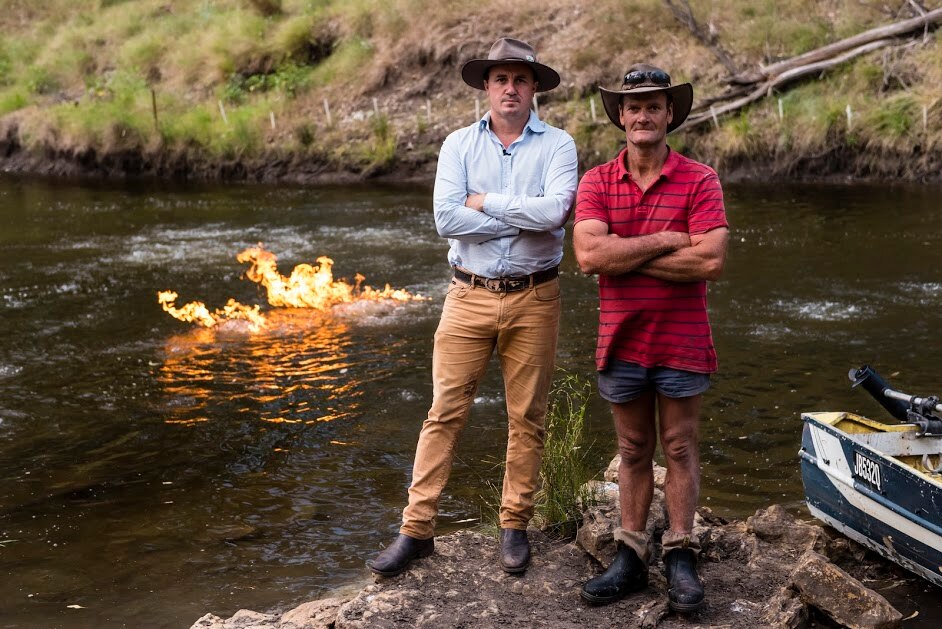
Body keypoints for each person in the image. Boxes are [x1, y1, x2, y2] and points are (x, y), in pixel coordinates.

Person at [368, 37, 578, 577]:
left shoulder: (558, 146)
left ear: (534, 88)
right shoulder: (458, 144)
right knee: (443, 412)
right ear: (486, 86)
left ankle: (514, 527)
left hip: (536, 296)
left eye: (521, 79)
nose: (511, 88)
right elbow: (446, 219)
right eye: (500, 79)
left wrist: (483, 203)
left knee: (527, 417)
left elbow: (556, 213)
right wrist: (520, 218)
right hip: (467, 295)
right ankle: (416, 531)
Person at [572, 64, 729, 611]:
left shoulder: (700, 180)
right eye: (634, 107)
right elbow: (589, 255)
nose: (643, 115)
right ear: (621, 116)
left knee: (680, 445)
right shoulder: (596, 181)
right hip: (621, 339)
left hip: (683, 339)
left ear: (669, 115)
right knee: (634, 448)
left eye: (654, 107)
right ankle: (632, 555)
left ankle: (681, 552)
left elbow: (709, 261)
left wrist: (624, 254)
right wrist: (667, 238)